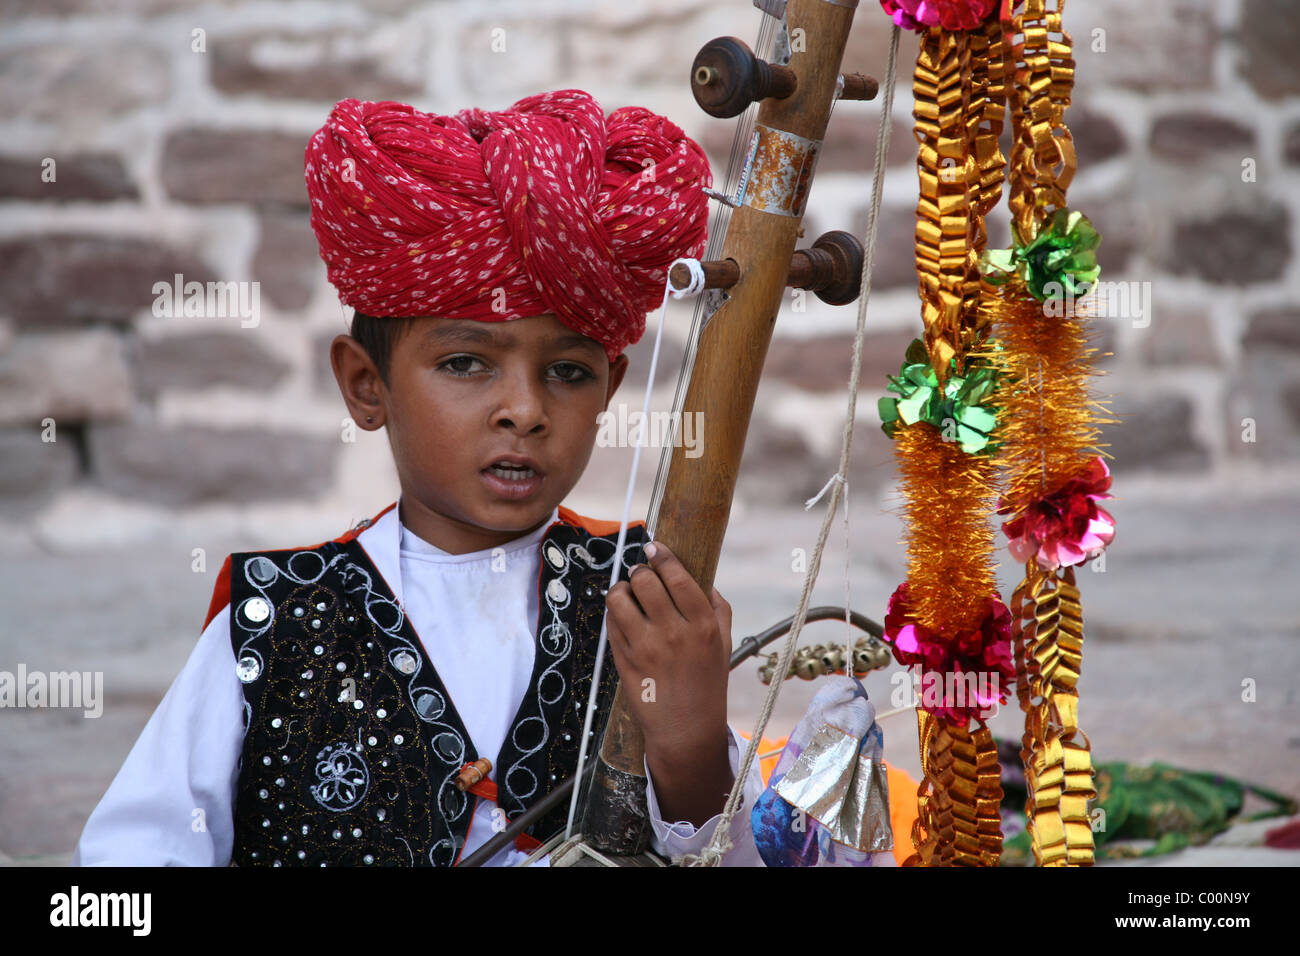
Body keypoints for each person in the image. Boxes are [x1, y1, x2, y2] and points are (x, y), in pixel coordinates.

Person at [72, 89, 767, 867]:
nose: (525, 410)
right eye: (466, 363)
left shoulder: (647, 608)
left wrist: (695, 753)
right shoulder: (274, 620)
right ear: (367, 386)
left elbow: (730, 852)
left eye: (568, 372)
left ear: (608, 392)